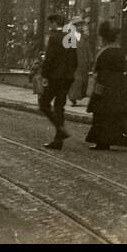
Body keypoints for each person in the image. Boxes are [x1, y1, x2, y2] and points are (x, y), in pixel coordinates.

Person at [84, 22, 127, 151]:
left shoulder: (103, 53)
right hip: (119, 87)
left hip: (105, 87)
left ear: (104, 39)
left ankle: (102, 142)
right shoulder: (121, 52)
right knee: (122, 114)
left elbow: (98, 72)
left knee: (102, 115)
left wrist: (97, 91)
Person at [38, 13, 77, 150]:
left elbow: (49, 59)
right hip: (67, 78)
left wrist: (44, 75)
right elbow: (74, 60)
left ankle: (60, 129)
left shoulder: (54, 37)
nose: (50, 26)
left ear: (55, 23)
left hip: (55, 77)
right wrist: (70, 73)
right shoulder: (70, 37)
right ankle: (58, 141)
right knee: (59, 106)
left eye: (51, 23)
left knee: (43, 103)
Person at [68, 20, 93, 106]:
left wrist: (90, 59)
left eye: (80, 26)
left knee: (83, 81)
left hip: (83, 62)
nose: (79, 27)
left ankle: (78, 96)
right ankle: (73, 98)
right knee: (76, 80)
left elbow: (88, 49)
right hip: (74, 62)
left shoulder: (84, 38)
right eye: (77, 26)